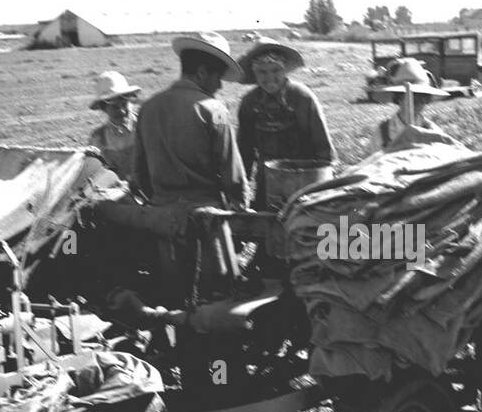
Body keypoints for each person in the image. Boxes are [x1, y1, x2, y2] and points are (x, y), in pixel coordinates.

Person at [127, 31, 247, 304]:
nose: (219, 86)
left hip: (163, 223)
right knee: (216, 300)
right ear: (203, 72)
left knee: (171, 298)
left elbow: (139, 178)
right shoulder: (213, 109)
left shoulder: (148, 109)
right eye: (218, 77)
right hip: (206, 225)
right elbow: (234, 178)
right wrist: (240, 214)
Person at [236, 37, 334, 208]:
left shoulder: (302, 97)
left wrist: (323, 190)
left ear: (285, 70)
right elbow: (244, 152)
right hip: (267, 184)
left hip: (305, 183)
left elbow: (324, 150)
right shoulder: (249, 103)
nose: (270, 78)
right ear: (254, 74)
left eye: (275, 70)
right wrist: (240, 191)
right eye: (262, 72)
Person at [372, 57, 452, 149]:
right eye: (412, 96)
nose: (417, 103)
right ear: (399, 98)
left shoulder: (434, 132)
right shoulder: (382, 133)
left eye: (423, 97)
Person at [85, 71, 141, 182]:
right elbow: (94, 175)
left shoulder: (146, 126)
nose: (121, 110)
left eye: (124, 104)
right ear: (104, 109)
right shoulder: (97, 139)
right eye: (114, 107)